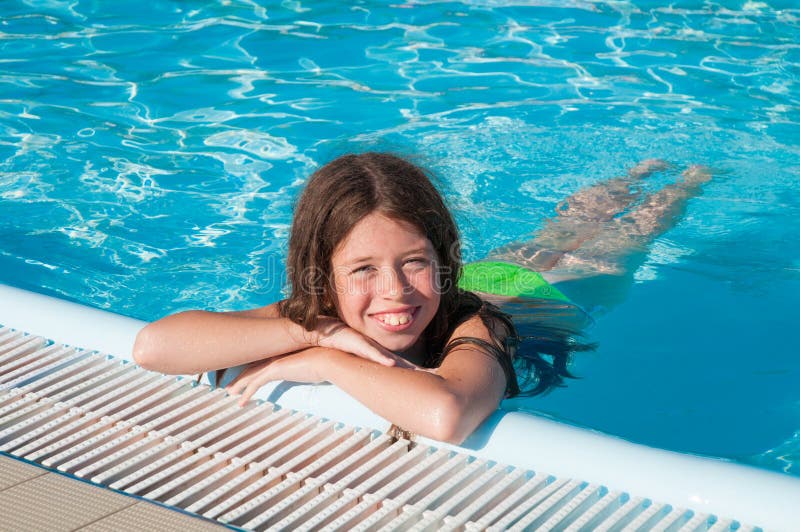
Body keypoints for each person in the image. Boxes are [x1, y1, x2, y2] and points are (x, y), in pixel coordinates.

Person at [133, 153, 711, 444]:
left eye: (415, 262)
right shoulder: (325, 312)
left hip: (542, 301)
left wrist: (328, 359)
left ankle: (682, 180)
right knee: (547, 239)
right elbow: (154, 346)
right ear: (322, 276)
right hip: (488, 277)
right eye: (363, 268)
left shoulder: (482, 330)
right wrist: (316, 330)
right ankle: (637, 179)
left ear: (442, 259)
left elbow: (446, 414)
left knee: (620, 241)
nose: (393, 291)